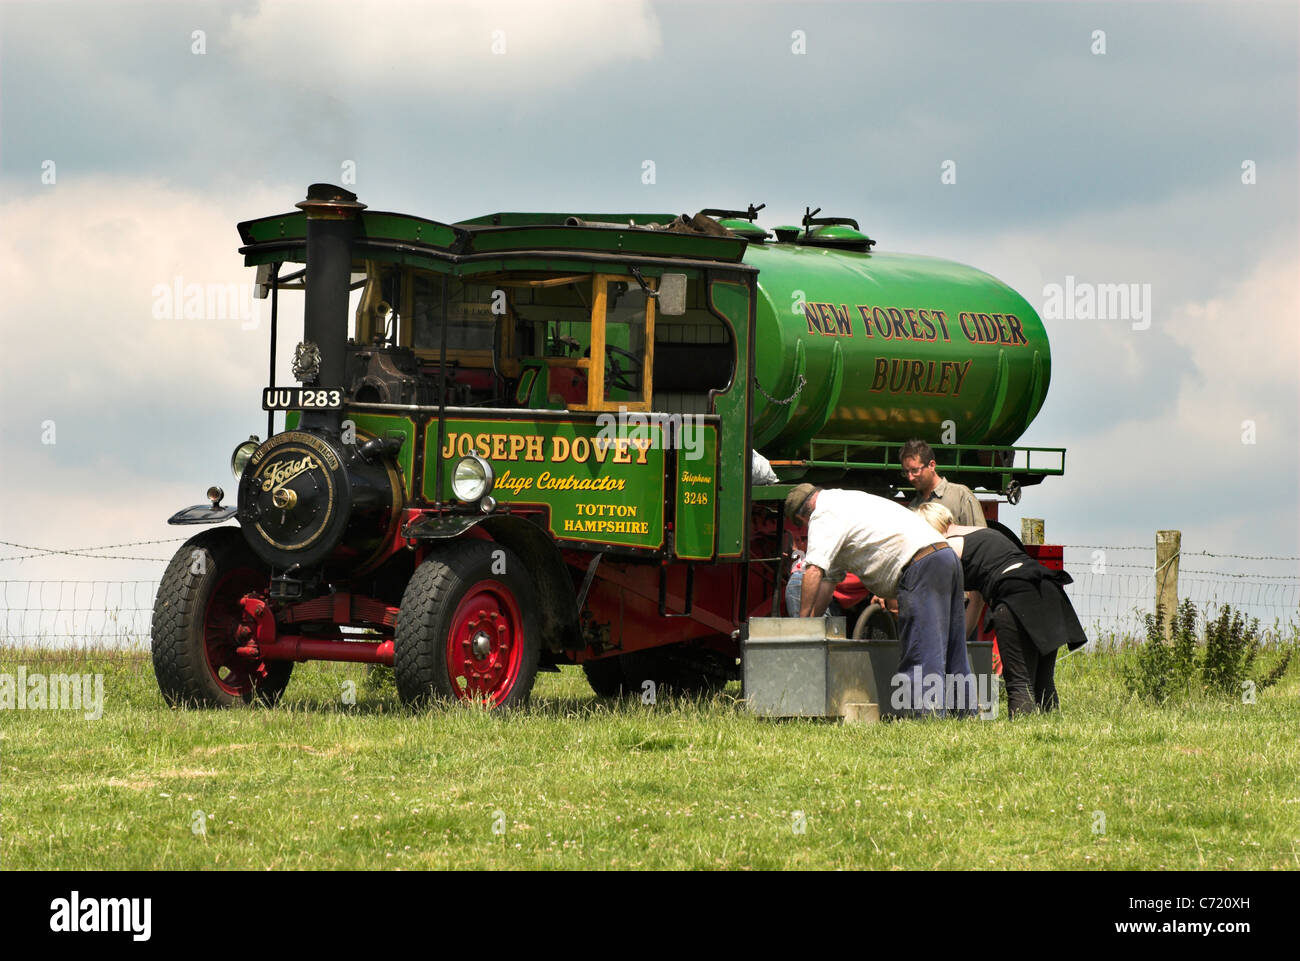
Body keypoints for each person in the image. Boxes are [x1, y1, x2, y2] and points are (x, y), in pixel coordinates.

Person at [784, 483, 972, 715]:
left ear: (804, 517)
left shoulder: (823, 514)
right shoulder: (847, 501)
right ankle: (965, 715)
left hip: (921, 564)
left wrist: (802, 625)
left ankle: (928, 719)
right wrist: (814, 624)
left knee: (922, 649)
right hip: (945, 556)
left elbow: (814, 570)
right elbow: (828, 582)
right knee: (953, 647)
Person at [915, 502, 1087, 718]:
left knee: (1019, 681)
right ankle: (1052, 735)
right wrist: (960, 641)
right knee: (1044, 680)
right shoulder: (984, 534)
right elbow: (977, 602)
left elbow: (932, 588)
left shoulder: (949, 546)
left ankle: (1023, 740)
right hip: (1047, 589)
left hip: (1015, 596)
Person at [900, 439, 987, 528]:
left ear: (932, 465)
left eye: (915, 470)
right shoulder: (913, 507)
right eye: (906, 472)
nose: (910, 477)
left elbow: (980, 537)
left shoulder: (960, 495)